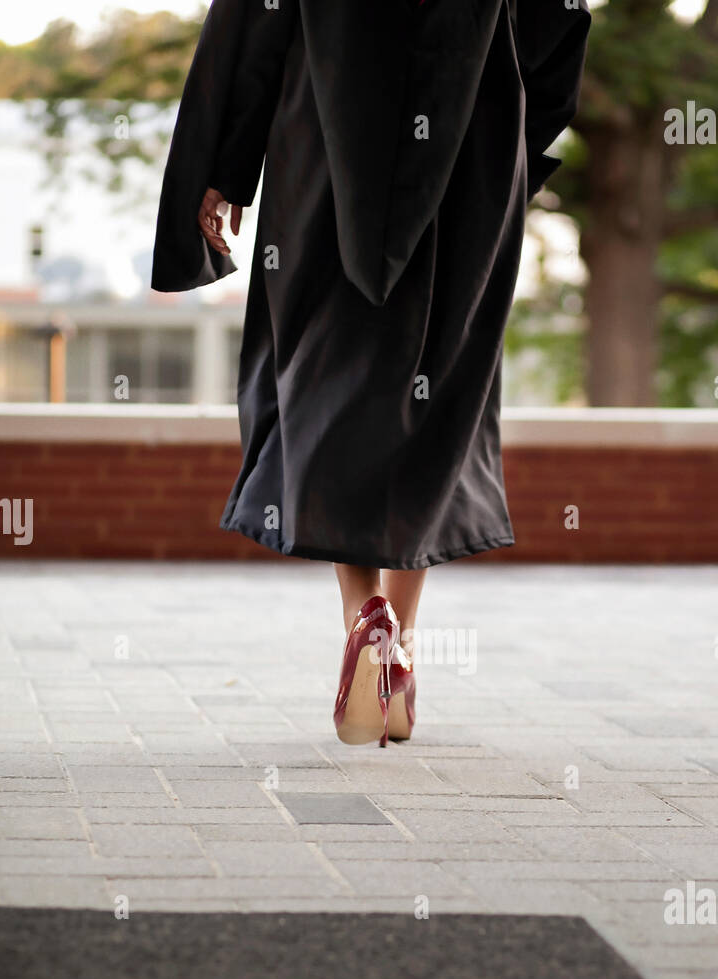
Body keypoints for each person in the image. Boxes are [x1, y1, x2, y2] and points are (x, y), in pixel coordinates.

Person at [152, 0, 590, 747]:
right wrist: (512, 143)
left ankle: (366, 617)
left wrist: (222, 170)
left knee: (325, 389)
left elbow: (253, 30)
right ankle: (404, 643)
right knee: (435, 398)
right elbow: (558, 31)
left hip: (320, 156)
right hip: (468, 163)